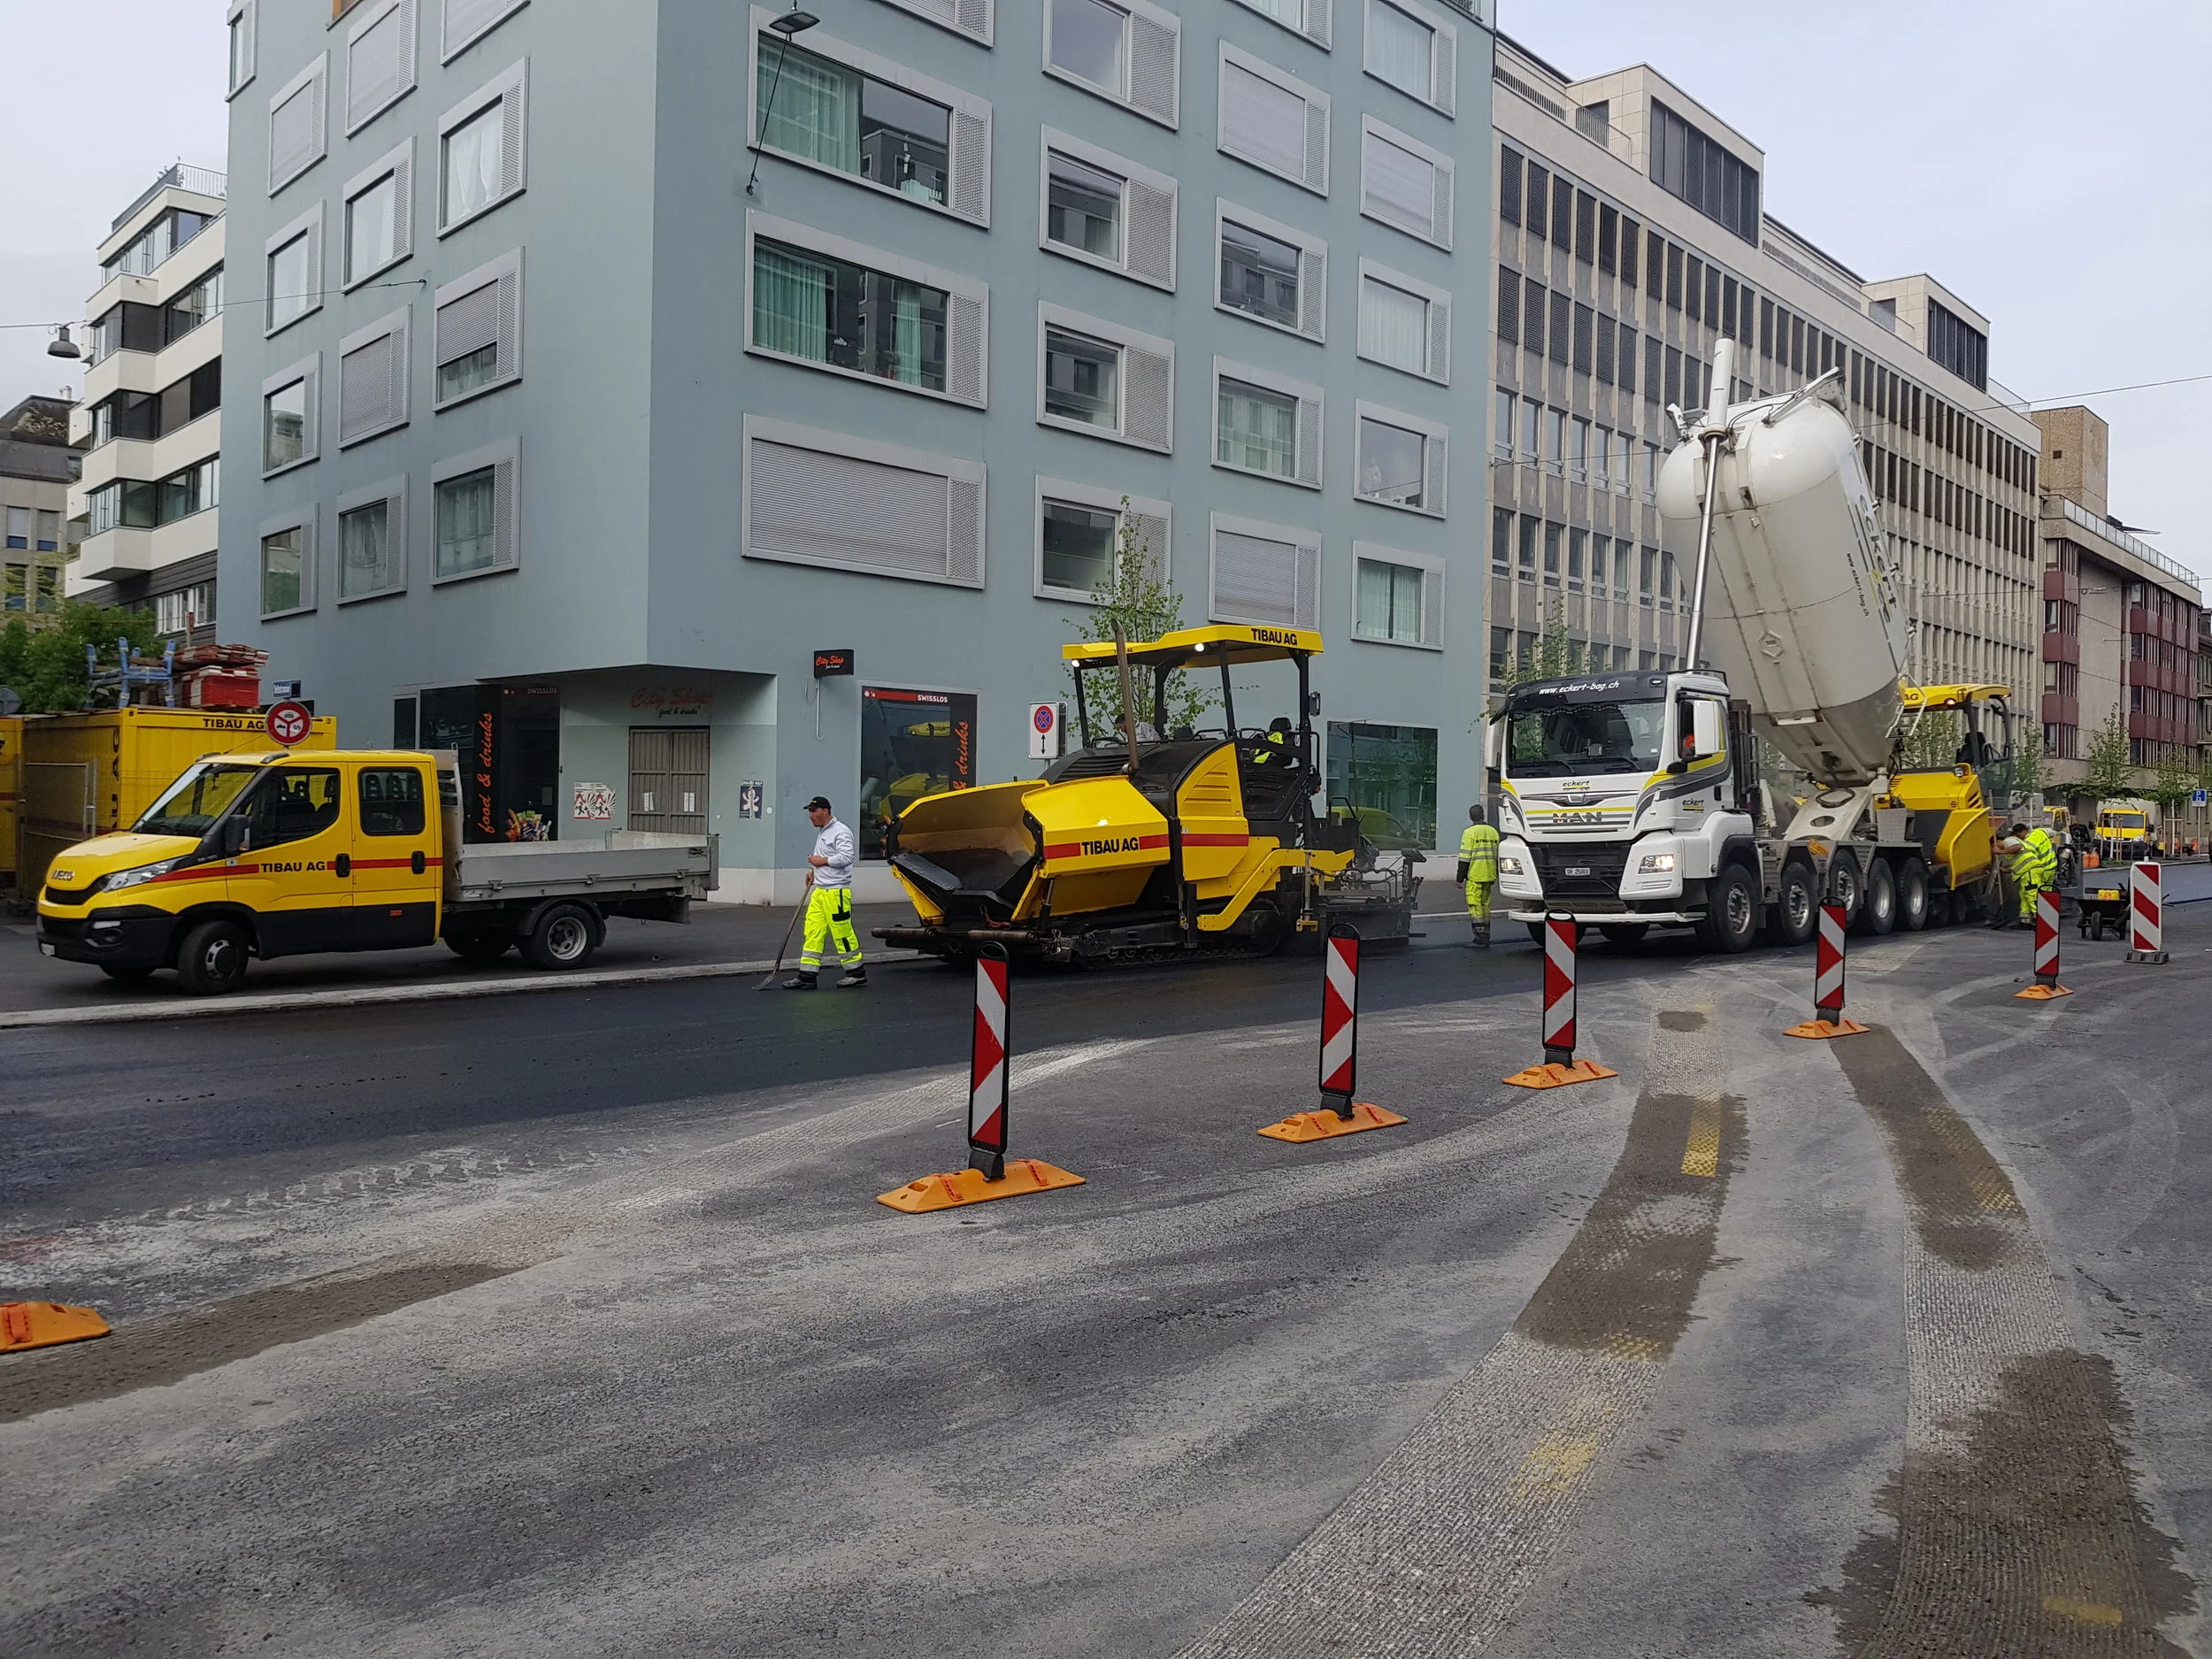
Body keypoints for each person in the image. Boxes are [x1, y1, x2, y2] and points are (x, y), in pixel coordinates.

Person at [785, 795, 864, 989]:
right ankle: (807, 976)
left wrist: (823, 862)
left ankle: (856, 973)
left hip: (835, 892)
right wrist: (813, 870)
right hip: (821, 890)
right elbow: (821, 855)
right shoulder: (824, 832)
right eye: (809, 811)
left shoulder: (841, 831)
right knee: (813, 931)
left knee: (842, 933)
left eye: (813, 811)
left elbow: (847, 857)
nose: (810, 815)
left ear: (825, 811)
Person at [1994, 818, 2055, 930]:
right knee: (2025, 895)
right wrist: (2006, 870)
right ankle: (2025, 921)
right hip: (2028, 872)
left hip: (2032, 871)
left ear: (1997, 842)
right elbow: (2019, 863)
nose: (1993, 850)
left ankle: (2041, 921)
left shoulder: (2009, 841)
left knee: (2032, 895)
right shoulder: (2015, 843)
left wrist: (2001, 851)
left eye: (1993, 847)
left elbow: (2018, 848)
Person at [1458, 803, 1502, 948]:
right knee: (1485, 905)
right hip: (1489, 874)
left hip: (1475, 875)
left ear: (1471, 817)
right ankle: (1486, 934)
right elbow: (1497, 855)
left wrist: (1459, 878)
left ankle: (1480, 937)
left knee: (1474, 904)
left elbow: (1464, 858)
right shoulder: (1493, 832)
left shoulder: (1469, 833)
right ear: (1483, 815)